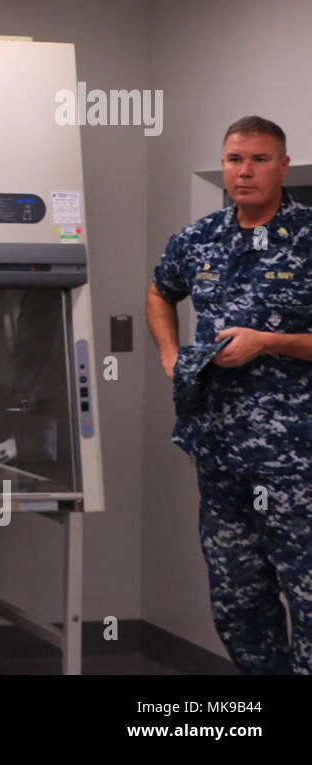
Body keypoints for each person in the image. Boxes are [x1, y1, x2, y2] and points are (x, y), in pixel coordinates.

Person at [147, 115, 312, 674]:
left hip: (296, 462)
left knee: (308, 601)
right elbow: (159, 292)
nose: (244, 171)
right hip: (219, 454)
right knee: (238, 602)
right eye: (234, 160)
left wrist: (271, 342)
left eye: (259, 159)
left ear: (283, 166)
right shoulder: (198, 239)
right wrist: (172, 359)